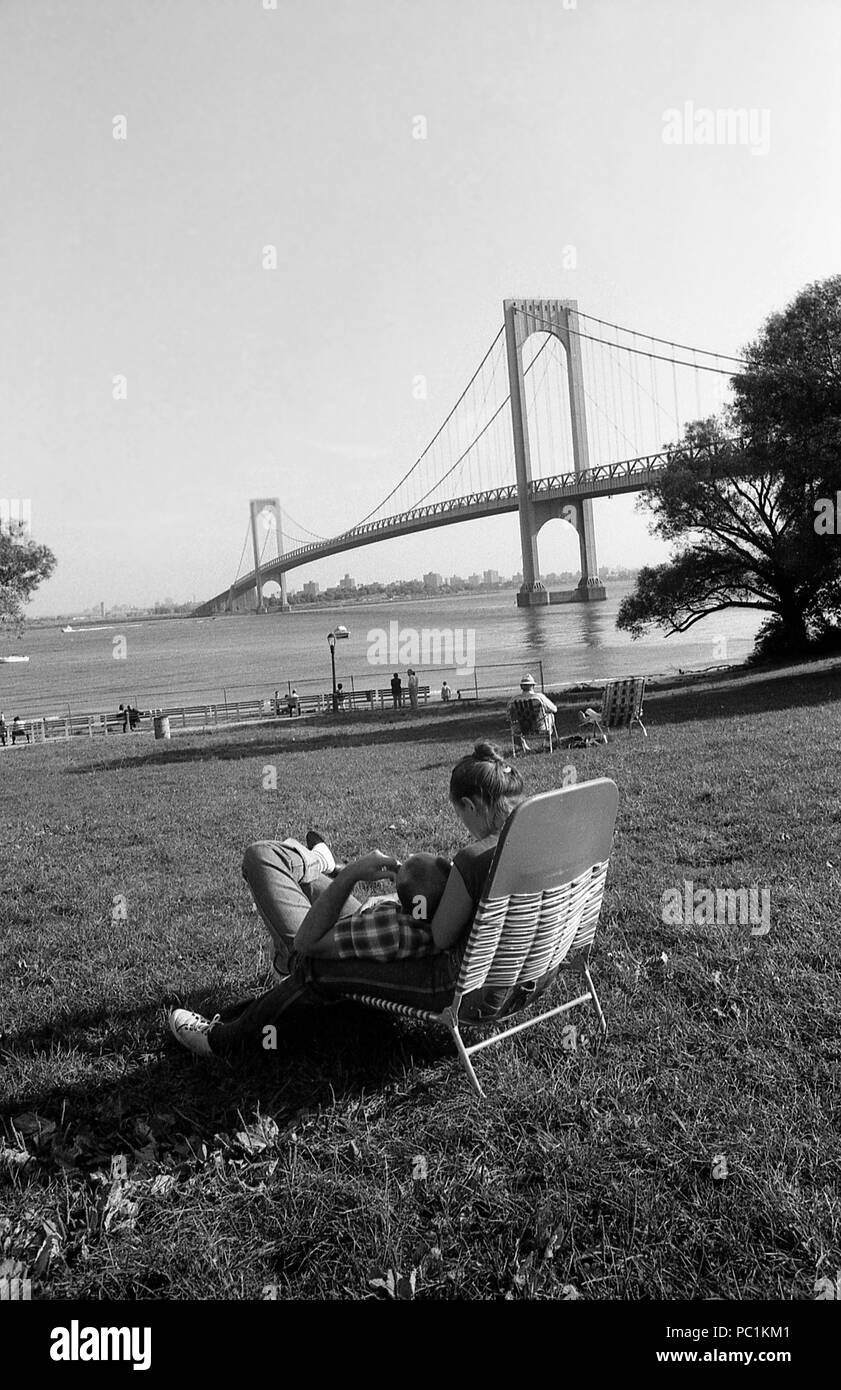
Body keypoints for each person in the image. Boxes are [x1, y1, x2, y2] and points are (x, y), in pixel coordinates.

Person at [168, 743, 525, 1057]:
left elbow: (442, 936)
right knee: (307, 882)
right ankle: (320, 865)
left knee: (263, 861)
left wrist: (354, 874)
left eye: (460, 814)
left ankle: (219, 1040)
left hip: (444, 984)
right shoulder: (531, 848)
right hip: (514, 985)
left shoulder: (474, 861)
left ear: (470, 804)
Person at [507, 673, 557, 753]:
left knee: (514, 725)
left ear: (521, 687)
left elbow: (509, 716)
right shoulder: (539, 697)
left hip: (521, 728)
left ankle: (525, 748)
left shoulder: (513, 700)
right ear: (533, 686)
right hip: (540, 727)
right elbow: (554, 709)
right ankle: (547, 742)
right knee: (551, 716)